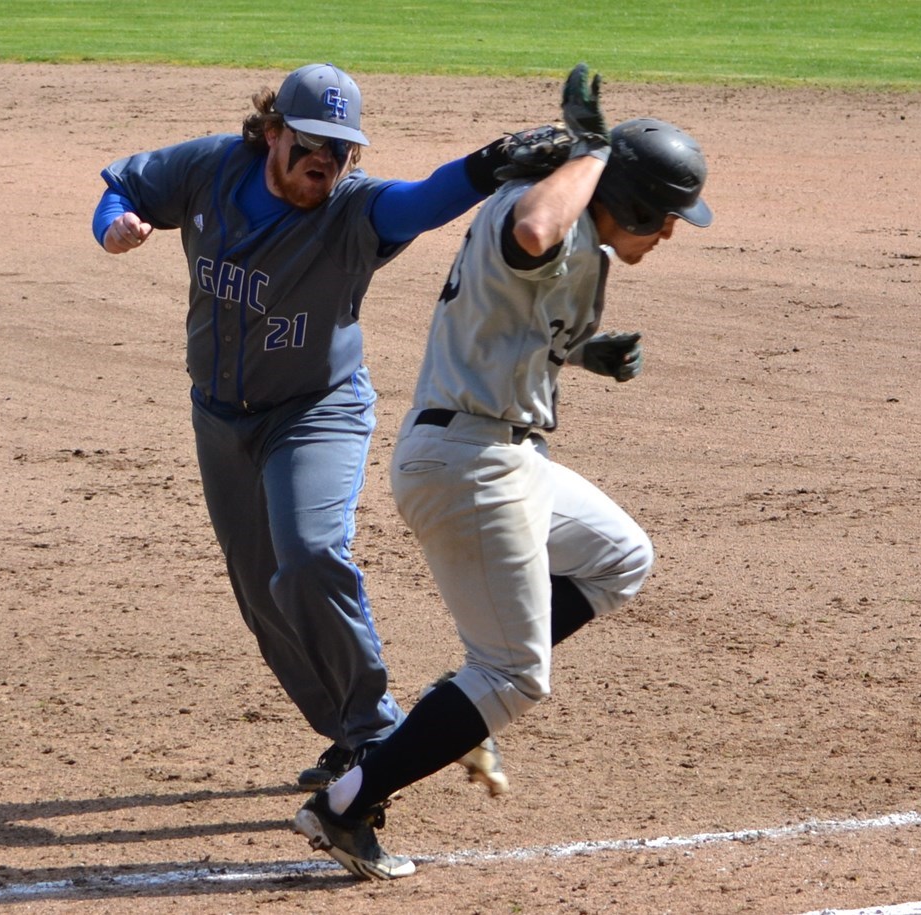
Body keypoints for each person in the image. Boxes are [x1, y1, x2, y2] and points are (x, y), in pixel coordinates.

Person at [290, 63, 712, 880]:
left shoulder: (578, 238)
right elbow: (528, 235)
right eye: (666, 219)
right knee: (516, 673)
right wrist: (592, 147)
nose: (668, 235)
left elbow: (510, 311)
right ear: (629, 199)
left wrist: (584, 352)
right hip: (471, 462)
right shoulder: (552, 219)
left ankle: (463, 703)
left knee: (620, 553)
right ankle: (346, 803)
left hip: (500, 453)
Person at [93, 63, 561, 796]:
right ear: (272, 132)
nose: (325, 161)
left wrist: (487, 164)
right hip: (218, 417)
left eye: (340, 150)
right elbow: (125, 186)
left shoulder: (352, 212)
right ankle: (349, 734)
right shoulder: (213, 169)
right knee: (263, 594)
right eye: (310, 142)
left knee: (309, 556)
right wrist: (112, 225)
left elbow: (424, 200)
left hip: (315, 411)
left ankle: (379, 733)